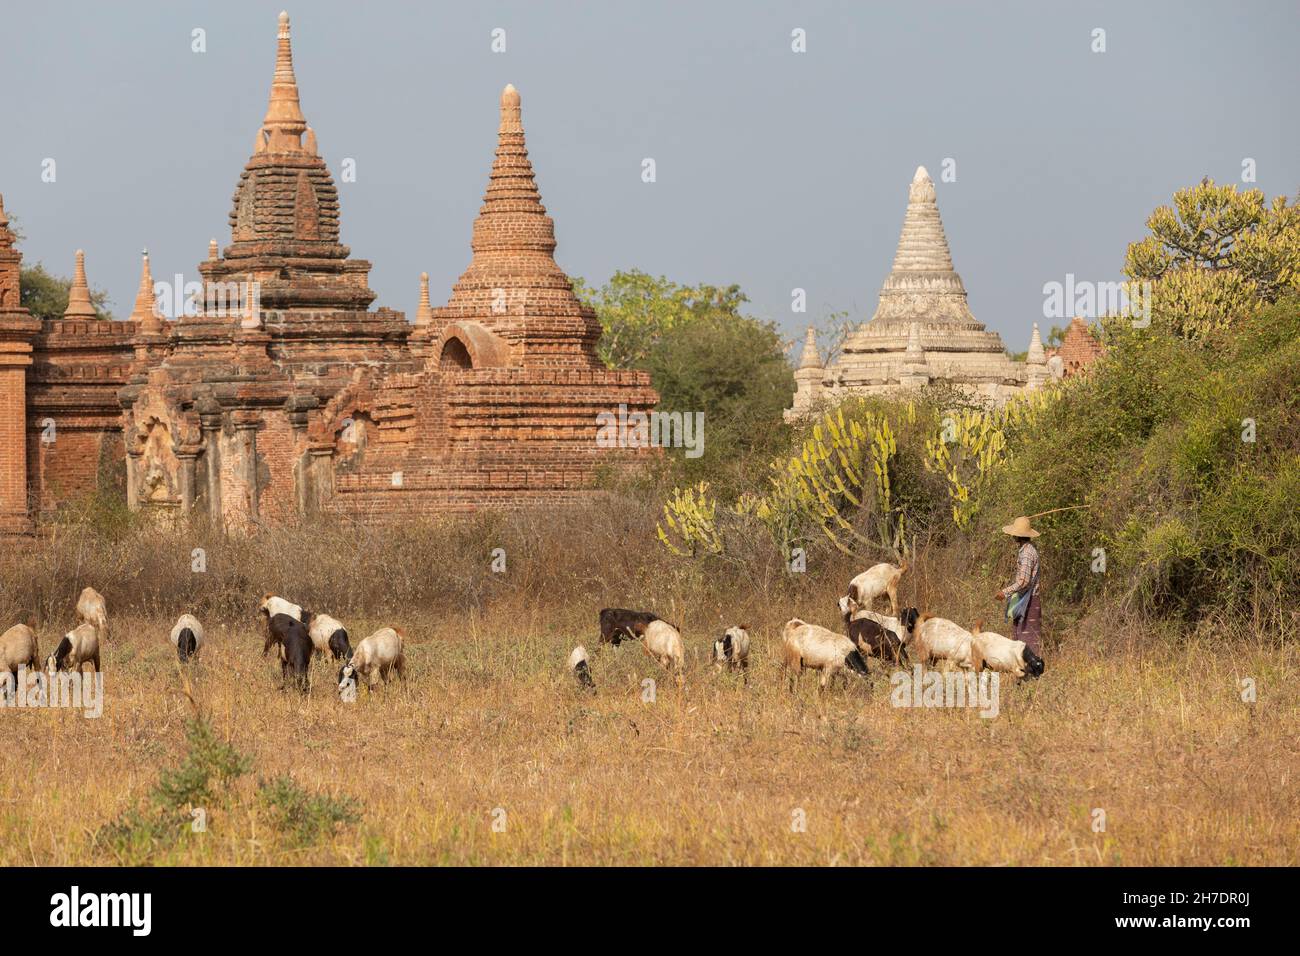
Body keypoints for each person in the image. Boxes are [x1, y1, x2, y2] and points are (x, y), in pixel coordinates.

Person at [994, 516, 1042, 656]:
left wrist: (1005, 592)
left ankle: (1031, 671)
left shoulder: (1027, 553)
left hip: (1029, 599)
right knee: (1022, 635)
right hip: (1026, 598)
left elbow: (1023, 582)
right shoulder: (1027, 549)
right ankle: (1024, 668)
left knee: (1027, 637)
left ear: (1017, 535)